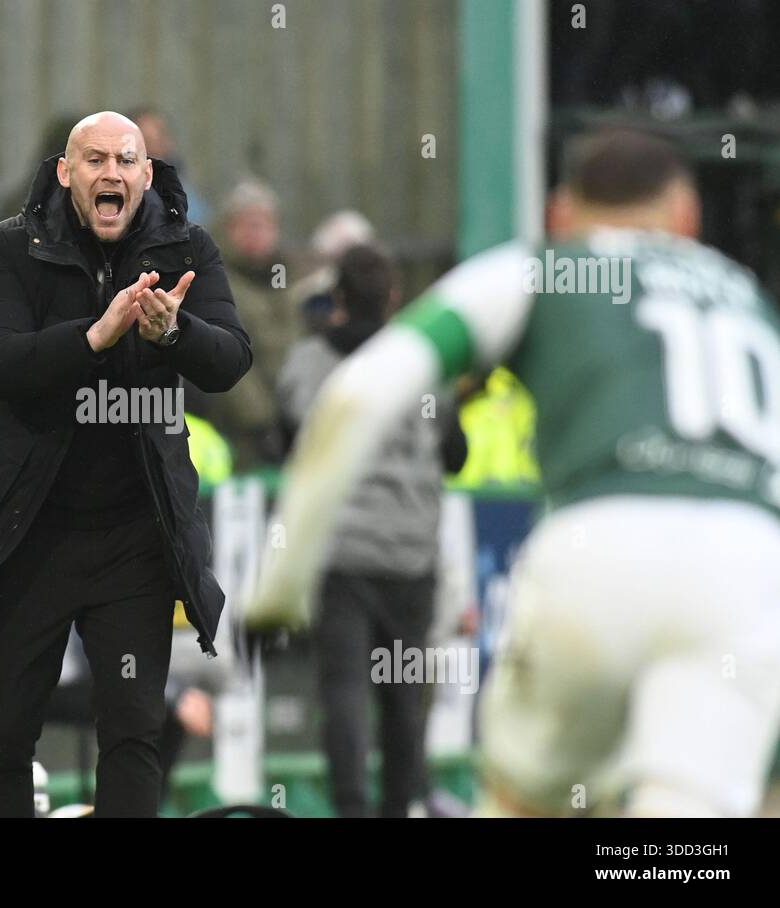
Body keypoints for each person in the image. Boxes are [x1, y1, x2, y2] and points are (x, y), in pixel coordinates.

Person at [250, 128, 780, 818]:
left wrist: (280, 588)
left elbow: (357, 394)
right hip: (749, 572)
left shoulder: (544, 267)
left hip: (598, 548)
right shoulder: (748, 299)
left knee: (525, 801)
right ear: (687, 218)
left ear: (561, 213)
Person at [0, 111, 251, 817]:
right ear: (67, 172)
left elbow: (230, 359)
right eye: (95, 160)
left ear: (146, 174)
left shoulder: (186, 247)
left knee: (135, 730)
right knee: (3, 737)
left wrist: (177, 332)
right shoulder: (10, 249)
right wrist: (94, 337)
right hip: (26, 532)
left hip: (134, 537)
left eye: (126, 161)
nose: (112, 173)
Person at [277, 244, 466, 817]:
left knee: (344, 694)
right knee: (405, 698)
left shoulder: (308, 364)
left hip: (340, 554)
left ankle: (352, 809)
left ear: (336, 300)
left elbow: (288, 448)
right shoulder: (424, 364)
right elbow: (455, 454)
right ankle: (399, 809)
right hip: (410, 555)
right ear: (392, 298)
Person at [208, 179, 299, 469]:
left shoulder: (289, 278)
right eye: (246, 224)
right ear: (229, 229)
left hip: (294, 424)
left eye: (263, 224)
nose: (255, 233)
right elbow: (224, 353)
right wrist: (261, 421)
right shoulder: (216, 281)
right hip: (244, 434)